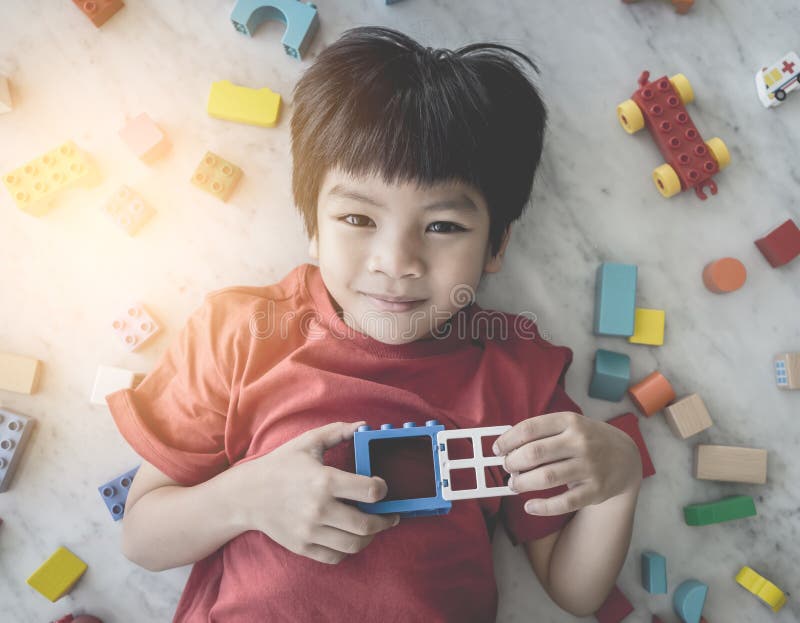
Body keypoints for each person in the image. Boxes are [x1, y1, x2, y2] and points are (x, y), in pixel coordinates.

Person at [107, 26, 643, 622]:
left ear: (495, 246)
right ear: (313, 224)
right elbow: (142, 537)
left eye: (442, 227)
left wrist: (618, 481)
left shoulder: (516, 376)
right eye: (358, 218)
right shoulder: (242, 332)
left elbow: (574, 590)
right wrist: (246, 499)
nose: (396, 263)